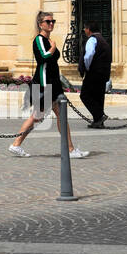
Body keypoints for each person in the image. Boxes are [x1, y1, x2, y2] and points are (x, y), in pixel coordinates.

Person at [8, 11, 88, 159]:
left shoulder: (48, 39)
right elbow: (43, 58)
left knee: (58, 115)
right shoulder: (38, 40)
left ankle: (70, 149)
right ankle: (16, 144)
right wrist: (53, 48)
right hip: (44, 84)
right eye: (48, 22)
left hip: (53, 83)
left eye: (53, 21)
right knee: (37, 117)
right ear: (40, 24)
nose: (51, 24)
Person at [78, 22, 111, 128]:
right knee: (98, 97)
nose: (84, 31)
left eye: (85, 28)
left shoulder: (92, 39)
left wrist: (87, 67)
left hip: (93, 73)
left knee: (85, 95)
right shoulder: (103, 40)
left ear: (89, 29)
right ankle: (98, 122)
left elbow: (89, 54)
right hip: (103, 73)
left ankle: (99, 115)